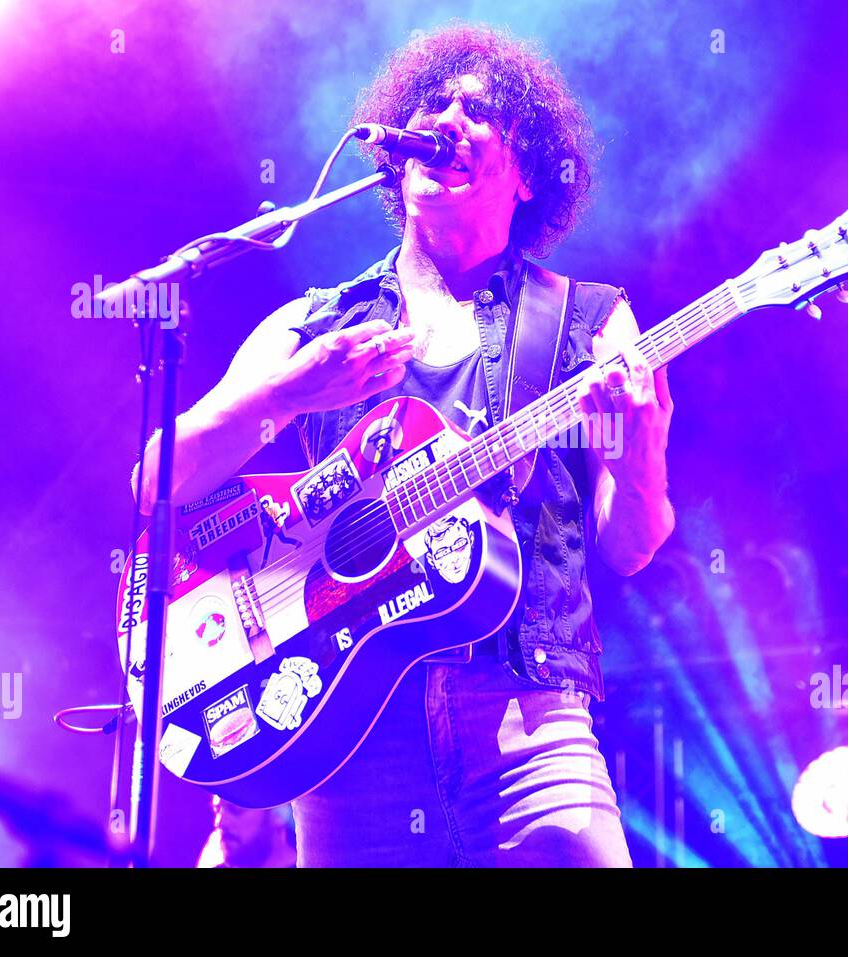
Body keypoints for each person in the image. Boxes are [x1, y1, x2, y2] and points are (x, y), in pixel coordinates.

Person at [133, 22, 674, 866]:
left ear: (527, 173)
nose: (448, 118)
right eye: (434, 103)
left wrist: (642, 446)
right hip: (346, 734)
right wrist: (284, 393)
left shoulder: (588, 321)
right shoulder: (318, 323)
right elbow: (155, 479)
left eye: (481, 110)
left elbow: (632, 547)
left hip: (528, 727)